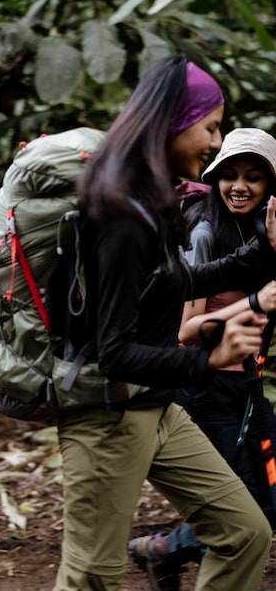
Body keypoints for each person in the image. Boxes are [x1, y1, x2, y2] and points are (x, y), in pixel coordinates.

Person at [54, 55, 276, 591]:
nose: (213, 141)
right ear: (174, 121)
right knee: (93, 578)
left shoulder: (152, 203)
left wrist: (265, 250)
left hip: (155, 408)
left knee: (244, 533)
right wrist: (209, 357)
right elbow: (115, 350)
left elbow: (178, 284)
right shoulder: (123, 217)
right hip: (109, 417)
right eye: (210, 126)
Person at [128, 128, 276, 588]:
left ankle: (164, 552)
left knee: (267, 499)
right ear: (214, 179)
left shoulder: (260, 230)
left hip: (246, 384)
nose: (240, 186)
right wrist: (255, 306)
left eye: (254, 177)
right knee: (243, 506)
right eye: (229, 175)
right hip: (204, 386)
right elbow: (186, 331)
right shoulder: (204, 231)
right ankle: (162, 549)